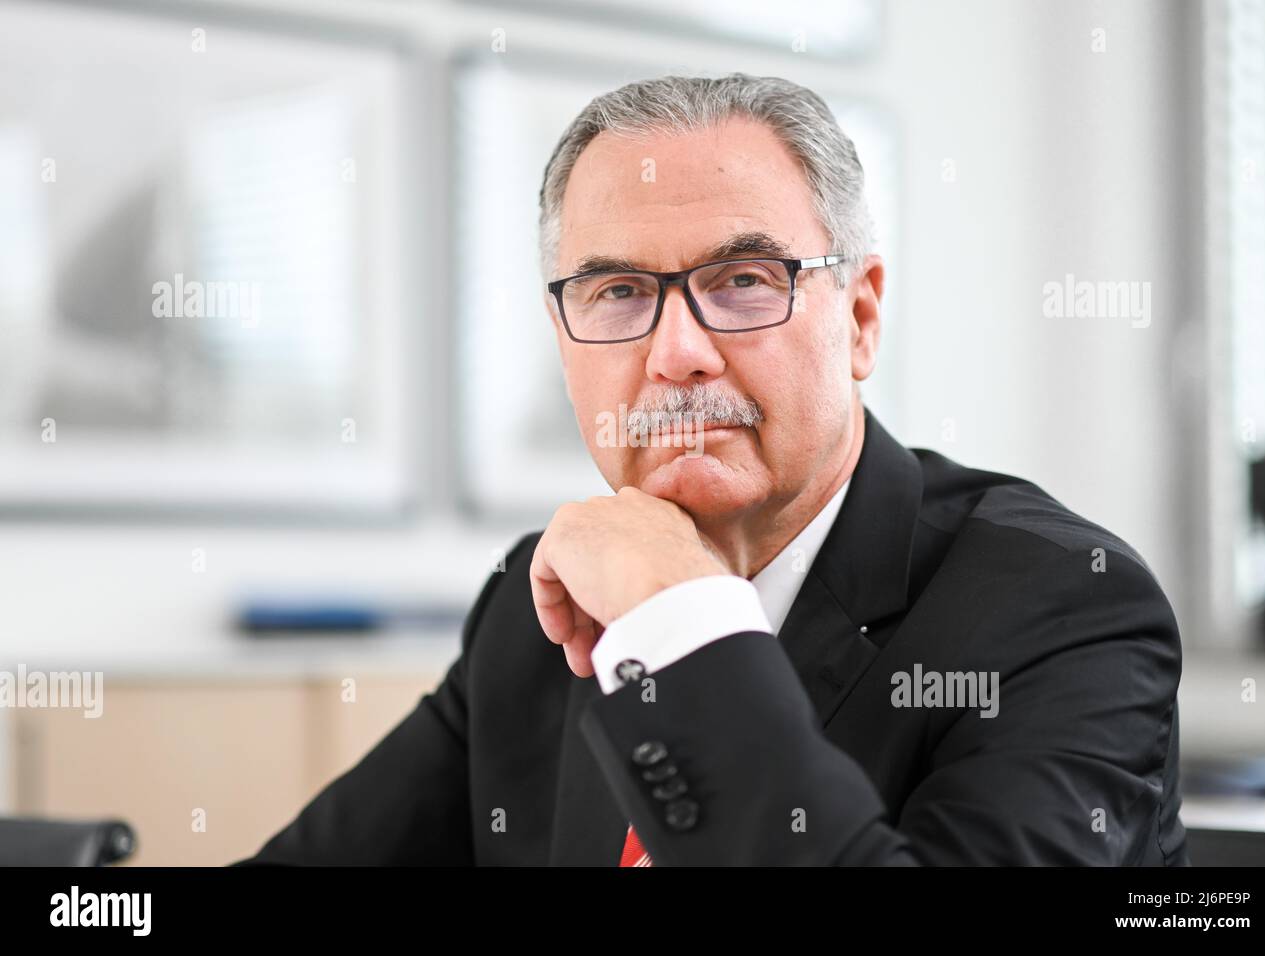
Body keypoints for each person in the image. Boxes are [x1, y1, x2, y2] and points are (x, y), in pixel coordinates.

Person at [235, 73, 1187, 866]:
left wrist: (684, 623)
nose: (676, 352)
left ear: (858, 318)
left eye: (742, 280)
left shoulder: (1064, 605)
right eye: (617, 292)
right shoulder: (539, 608)